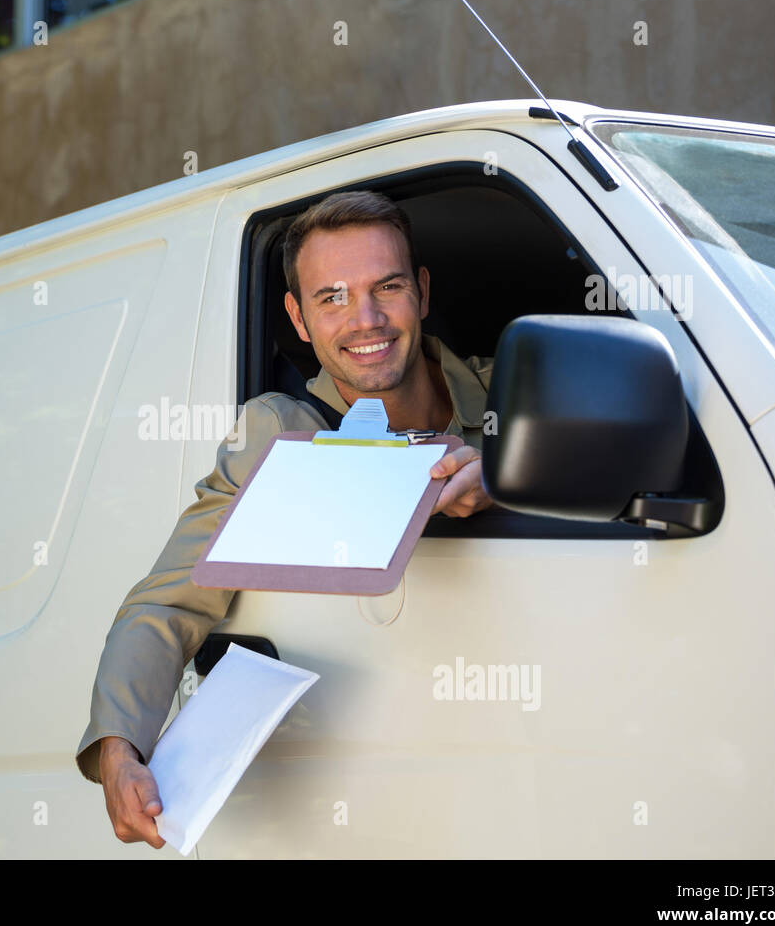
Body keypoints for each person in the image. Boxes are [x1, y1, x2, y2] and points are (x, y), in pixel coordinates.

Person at [77, 189, 495, 847]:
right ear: (299, 320)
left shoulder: (514, 398)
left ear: (420, 290)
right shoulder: (282, 436)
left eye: (386, 286)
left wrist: (503, 480)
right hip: (357, 794)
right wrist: (120, 751)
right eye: (331, 297)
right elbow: (164, 606)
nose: (366, 319)